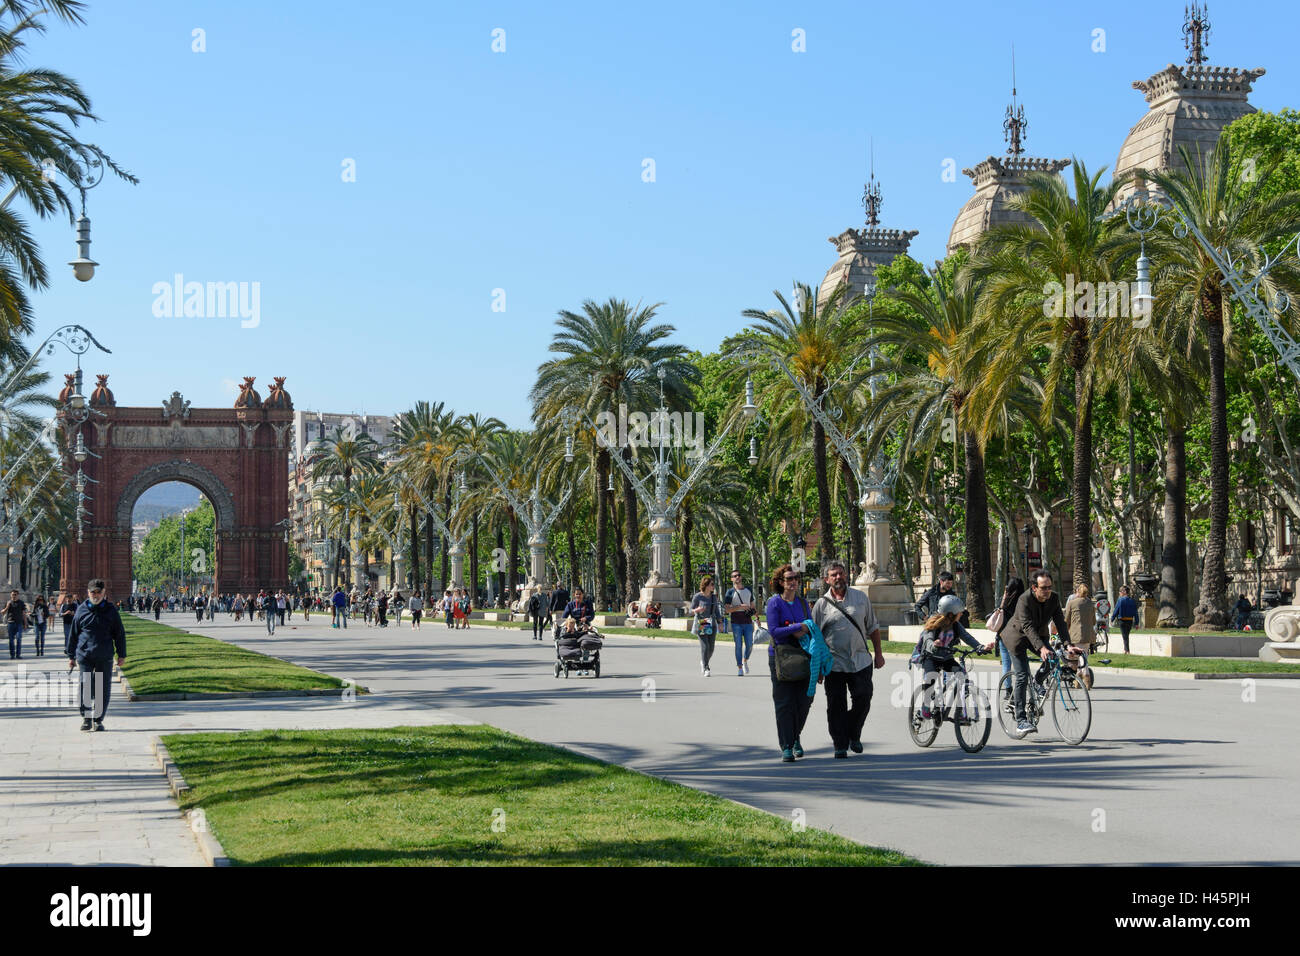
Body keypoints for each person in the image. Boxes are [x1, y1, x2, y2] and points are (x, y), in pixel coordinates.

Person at [812, 560, 885, 758]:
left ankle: (854, 733)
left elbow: (873, 627)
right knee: (836, 705)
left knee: (863, 698)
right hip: (833, 664)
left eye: (841, 574)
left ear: (847, 575)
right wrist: (817, 667)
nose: (838, 577)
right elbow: (816, 639)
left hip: (861, 660)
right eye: (834, 575)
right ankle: (840, 744)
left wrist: (878, 654)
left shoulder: (861, 598)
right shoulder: (820, 605)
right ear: (827, 579)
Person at [1005, 570, 1070, 737]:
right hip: (1017, 637)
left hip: (1038, 636)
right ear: (1034, 587)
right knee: (1021, 675)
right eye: (1044, 588)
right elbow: (1026, 626)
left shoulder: (1054, 598)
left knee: (1053, 659)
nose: (1047, 590)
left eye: (1049, 587)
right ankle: (1021, 721)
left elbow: (1060, 623)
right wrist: (1041, 648)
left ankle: (1037, 682)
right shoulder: (1024, 599)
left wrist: (1068, 644)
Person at [766, 563, 814, 763]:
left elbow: (811, 626)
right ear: (780, 582)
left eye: (795, 578)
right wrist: (796, 627)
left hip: (804, 655)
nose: (793, 582)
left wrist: (803, 628)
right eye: (789, 579)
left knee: (804, 702)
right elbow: (774, 631)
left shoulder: (803, 604)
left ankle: (795, 736)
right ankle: (787, 745)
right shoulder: (774, 603)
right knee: (785, 702)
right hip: (781, 656)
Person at [65, 578, 126, 732]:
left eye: (99, 592)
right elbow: (73, 634)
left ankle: (98, 720)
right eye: (93, 592)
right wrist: (71, 656)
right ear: (88, 592)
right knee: (85, 685)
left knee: (101, 688)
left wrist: (121, 654)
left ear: (104, 593)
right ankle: (86, 718)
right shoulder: (81, 610)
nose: (96, 595)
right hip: (84, 655)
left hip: (104, 655)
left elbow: (119, 634)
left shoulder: (111, 610)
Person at [991, 577, 1025, 696]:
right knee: (1019, 664)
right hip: (1017, 636)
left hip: (1003, 635)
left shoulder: (1005, 601)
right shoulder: (1022, 601)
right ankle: (1020, 689)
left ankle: (1008, 690)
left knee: (1006, 664)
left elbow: (1000, 611)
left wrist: (1005, 596)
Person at [724, 570, 757, 676]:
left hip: (748, 622)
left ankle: (745, 660)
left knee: (750, 645)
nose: (737, 577)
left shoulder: (748, 590)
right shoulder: (730, 592)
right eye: (734, 576)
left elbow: (752, 605)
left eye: (738, 575)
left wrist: (757, 618)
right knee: (738, 645)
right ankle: (739, 667)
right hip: (736, 623)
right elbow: (727, 610)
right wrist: (739, 607)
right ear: (732, 579)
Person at [690, 575, 723, 677]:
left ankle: (704, 661)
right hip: (703, 622)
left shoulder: (713, 597)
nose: (713, 586)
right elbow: (690, 611)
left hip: (712, 622)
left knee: (711, 648)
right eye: (712, 584)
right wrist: (697, 610)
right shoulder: (698, 596)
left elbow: (717, 611)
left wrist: (720, 622)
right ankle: (706, 667)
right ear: (706, 585)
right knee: (705, 646)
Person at [1111, 585, 1138, 653]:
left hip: (1122, 620)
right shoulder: (1132, 600)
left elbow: (1116, 610)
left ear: (1124, 592)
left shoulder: (1120, 600)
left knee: (1125, 635)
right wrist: (1137, 623)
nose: (1119, 593)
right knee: (1126, 635)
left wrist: (1112, 618)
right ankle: (1126, 649)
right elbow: (1136, 612)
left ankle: (1127, 650)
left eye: (1120, 591)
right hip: (1130, 620)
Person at [5, 588, 27, 659]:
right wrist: (7, 607)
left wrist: (25, 623)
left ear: (18, 595)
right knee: (11, 640)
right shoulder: (8, 602)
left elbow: (24, 614)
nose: (13, 596)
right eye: (12, 595)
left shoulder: (21, 603)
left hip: (18, 623)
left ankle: (18, 654)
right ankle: (12, 654)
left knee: (18, 638)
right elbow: (2, 612)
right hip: (10, 623)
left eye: (15, 595)